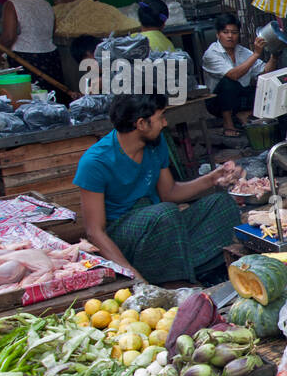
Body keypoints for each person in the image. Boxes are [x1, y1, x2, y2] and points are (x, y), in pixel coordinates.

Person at [74, 91, 245, 285]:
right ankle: (173, 282)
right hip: (126, 238)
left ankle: (189, 270)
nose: (165, 123)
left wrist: (212, 179)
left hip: (163, 228)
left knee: (221, 204)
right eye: (160, 117)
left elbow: (169, 193)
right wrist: (131, 274)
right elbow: (94, 232)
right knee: (165, 215)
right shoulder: (95, 161)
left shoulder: (155, 143)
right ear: (140, 124)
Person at [202, 12, 276, 138]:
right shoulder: (211, 53)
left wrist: (275, 55)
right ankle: (228, 123)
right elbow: (233, 75)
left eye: (234, 32)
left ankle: (243, 113)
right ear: (218, 34)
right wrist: (256, 54)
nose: (230, 36)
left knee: (264, 87)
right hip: (217, 103)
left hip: (240, 98)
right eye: (225, 32)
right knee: (228, 83)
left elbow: (265, 71)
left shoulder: (243, 51)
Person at [0, 0, 62, 88]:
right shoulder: (45, 4)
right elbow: (52, 31)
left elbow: (9, 36)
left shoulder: (12, 4)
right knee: (54, 96)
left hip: (27, 59)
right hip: (51, 58)